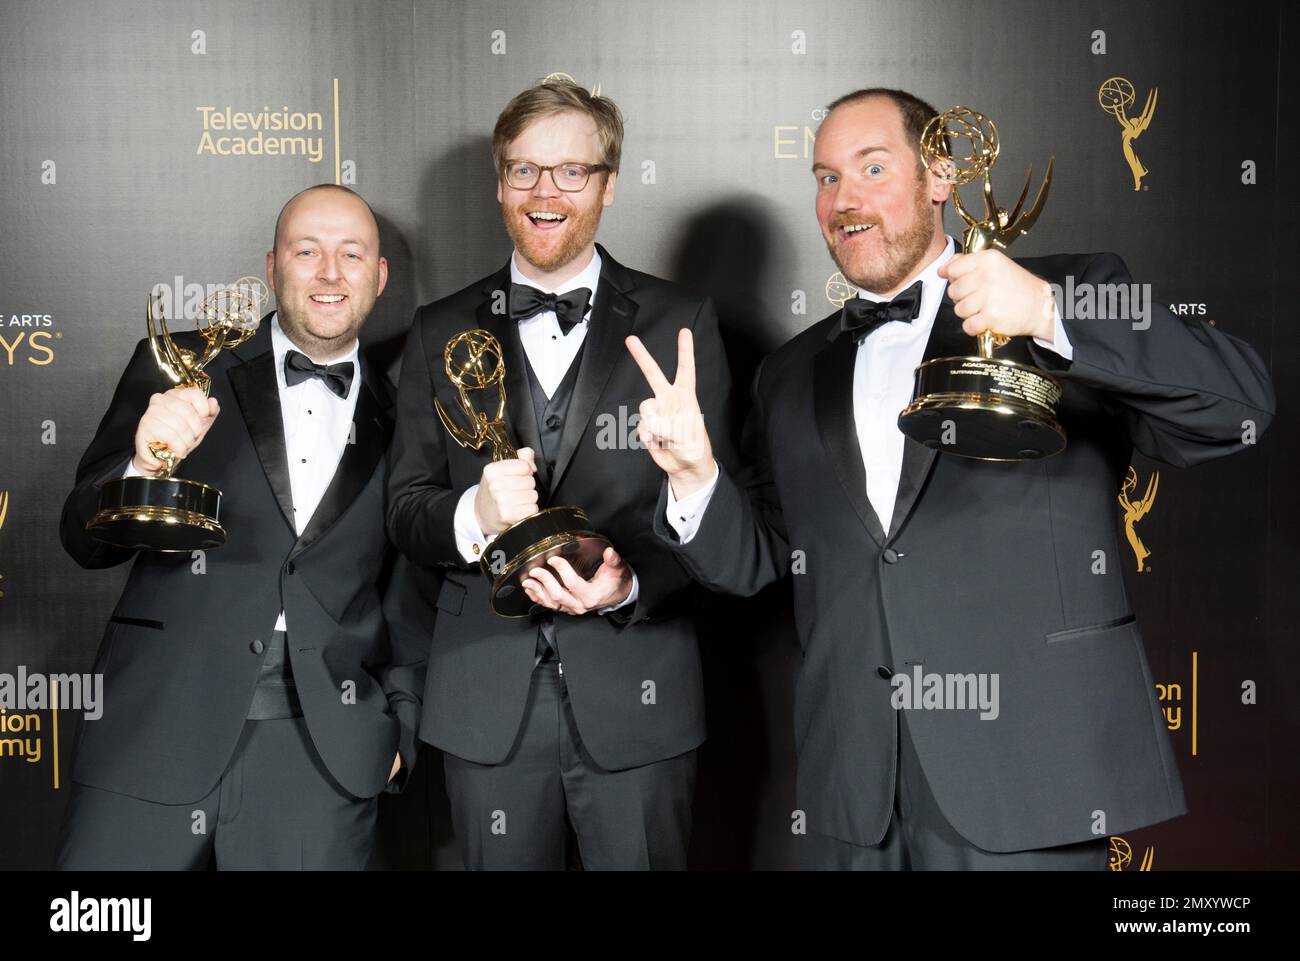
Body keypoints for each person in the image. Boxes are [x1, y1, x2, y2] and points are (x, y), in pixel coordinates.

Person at [628, 88, 1275, 869]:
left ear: (941, 175)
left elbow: (1238, 408)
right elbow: (762, 559)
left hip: (1034, 779)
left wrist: (1051, 314)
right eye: (826, 177)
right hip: (855, 795)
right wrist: (697, 481)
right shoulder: (789, 374)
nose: (844, 199)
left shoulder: (1063, 295)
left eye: (872, 167)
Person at [387, 77, 734, 870]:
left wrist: (631, 586)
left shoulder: (683, 323)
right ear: (500, 182)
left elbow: (729, 525)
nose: (546, 192)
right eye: (524, 170)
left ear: (609, 185)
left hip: (640, 701)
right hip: (485, 709)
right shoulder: (438, 328)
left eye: (572, 171)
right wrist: (472, 513)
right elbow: (403, 512)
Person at [57, 184, 427, 869]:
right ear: (271, 266)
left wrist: (396, 725)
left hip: (322, 756)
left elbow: (409, 595)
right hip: (155, 730)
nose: (329, 272)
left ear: (378, 277)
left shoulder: (407, 420)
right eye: (306, 250)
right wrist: (143, 462)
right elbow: (82, 537)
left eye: (351, 254)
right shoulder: (182, 367)